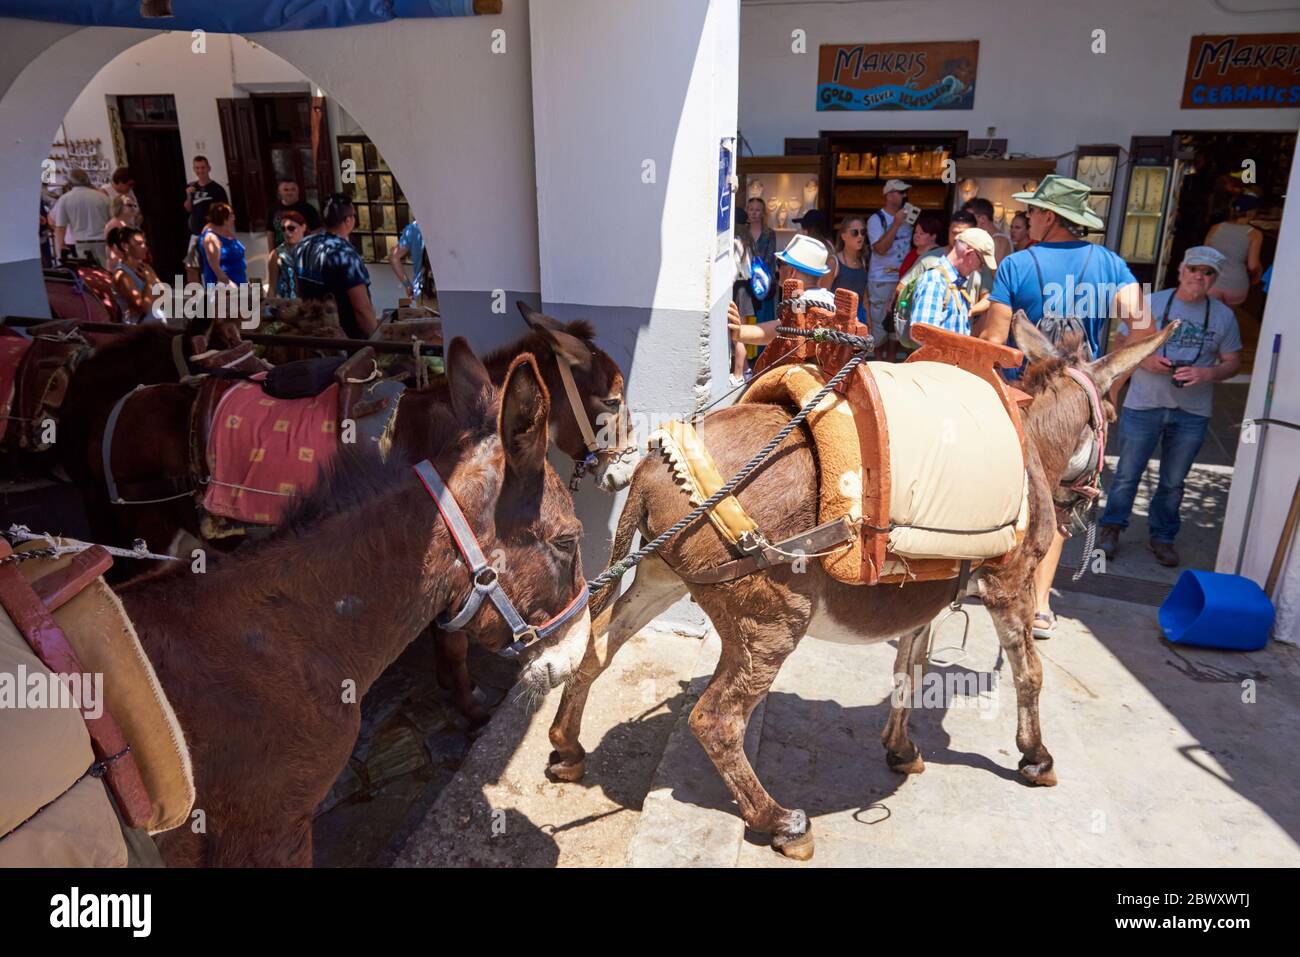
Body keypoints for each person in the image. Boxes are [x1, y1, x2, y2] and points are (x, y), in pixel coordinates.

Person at [979, 174, 1146, 640]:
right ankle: (1040, 604)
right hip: (1078, 411)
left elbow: (994, 341)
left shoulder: (1017, 265)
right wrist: (1109, 388)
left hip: (1027, 403)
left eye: (1032, 212)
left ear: (1050, 217)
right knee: (1062, 502)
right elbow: (1140, 327)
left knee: (1011, 493)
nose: (1027, 218)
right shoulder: (1112, 264)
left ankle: (997, 580)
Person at [1098, 247, 1241, 567]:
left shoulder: (1223, 316)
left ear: (1213, 279)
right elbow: (1121, 343)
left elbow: (1233, 362)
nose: (1199, 277)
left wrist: (1208, 372)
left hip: (1192, 412)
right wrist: (1146, 359)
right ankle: (1111, 529)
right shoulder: (1152, 303)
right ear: (1181, 269)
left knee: (1174, 481)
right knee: (1126, 475)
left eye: (1207, 273)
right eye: (1194, 269)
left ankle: (1162, 537)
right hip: (1144, 404)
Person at [728, 233, 833, 352]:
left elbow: (777, 330)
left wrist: (739, 332)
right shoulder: (830, 299)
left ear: (792, 272)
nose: (777, 269)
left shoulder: (800, 301)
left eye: (780, 264)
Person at [296, 193, 376, 339]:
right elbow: (361, 309)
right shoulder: (345, 253)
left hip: (310, 331)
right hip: (343, 338)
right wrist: (378, 343)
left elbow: (298, 288)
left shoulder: (303, 245)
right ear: (348, 220)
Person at [907, 228, 998, 336]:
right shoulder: (936, 281)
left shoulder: (955, 283)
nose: (980, 269)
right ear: (969, 254)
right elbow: (923, 335)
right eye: (981, 263)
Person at [865, 179, 913, 355]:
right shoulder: (876, 220)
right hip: (881, 279)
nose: (904, 196)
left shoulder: (908, 217)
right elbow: (880, 249)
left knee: (898, 322)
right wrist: (896, 224)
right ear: (889, 194)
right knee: (879, 324)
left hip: (902, 278)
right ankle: (878, 364)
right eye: (900, 192)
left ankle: (892, 361)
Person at [1203, 194, 1263, 307]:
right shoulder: (1255, 234)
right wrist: (1259, 272)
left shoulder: (1215, 228)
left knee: (1208, 317)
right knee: (1227, 318)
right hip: (1236, 286)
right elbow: (1252, 265)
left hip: (1212, 283)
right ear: (1251, 212)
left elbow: (1205, 255)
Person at [48, 168, 111, 263]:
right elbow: (112, 222)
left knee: (87, 275)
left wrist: (59, 251)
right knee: (107, 274)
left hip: (81, 244)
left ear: (69, 182)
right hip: (104, 242)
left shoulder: (65, 199)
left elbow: (60, 228)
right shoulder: (102, 197)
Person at [183, 155, 229, 281]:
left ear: (209, 168)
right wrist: (188, 195)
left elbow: (225, 213)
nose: (200, 171)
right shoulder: (191, 187)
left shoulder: (217, 189)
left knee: (212, 266)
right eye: (197, 168)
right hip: (195, 235)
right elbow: (188, 208)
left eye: (203, 168)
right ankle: (197, 298)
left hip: (211, 235)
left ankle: (216, 296)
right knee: (191, 266)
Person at [107, 226, 160, 323]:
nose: (145, 247)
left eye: (145, 243)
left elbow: (163, 295)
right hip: (141, 332)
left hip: (157, 326)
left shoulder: (146, 268)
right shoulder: (122, 275)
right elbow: (143, 307)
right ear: (125, 246)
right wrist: (149, 282)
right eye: (139, 244)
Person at [266, 178, 322, 254]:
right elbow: (270, 233)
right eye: (286, 190)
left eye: (293, 189)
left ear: (298, 191)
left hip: (304, 252)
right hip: (281, 253)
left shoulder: (308, 209)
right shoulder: (273, 210)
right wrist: (271, 253)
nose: (290, 192)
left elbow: (316, 232)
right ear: (279, 192)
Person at [199, 202, 248, 289]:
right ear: (224, 219)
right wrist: (231, 285)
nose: (234, 218)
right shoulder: (212, 238)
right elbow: (216, 268)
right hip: (225, 289)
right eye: (231, 215)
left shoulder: (226, 233)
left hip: (240, 282)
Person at [746, 197, 778, 325]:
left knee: (763, 322)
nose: (754, 213)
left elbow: (769, 259)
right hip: (746, 284)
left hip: (764, 284)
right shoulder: (743, 231)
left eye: (757, 210)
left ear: (763, 213)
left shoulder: (769, 234)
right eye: (751, 209)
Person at [832, 215, 869, 323]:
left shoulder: (862, 262)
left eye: (863, 232)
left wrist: (869, 326)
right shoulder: (834, 262)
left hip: (859, 320)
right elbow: (822, 294)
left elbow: (865, 298)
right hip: (838, 321)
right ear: (844, 236)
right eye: (855, 232)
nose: (860, 236)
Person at [790, 209, 838, 289]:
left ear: (807, 231)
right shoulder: (830, 248)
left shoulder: (814, 252)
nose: (801, 231)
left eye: (803, 228)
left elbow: (823, 287)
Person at [266, 209, 307, 299]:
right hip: (287, 306)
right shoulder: (276, 254)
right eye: (283, 229)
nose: (287, 233)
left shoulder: (312, 250)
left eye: (291, 228)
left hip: (310, 305)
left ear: (303, 227)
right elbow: (272, 287)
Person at [388, 219, 431, 302]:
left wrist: (407, 285)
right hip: (451, 289)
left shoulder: (414, 228)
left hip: (423, 290)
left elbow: (394, 257)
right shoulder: (447, 225)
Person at [962, 197, 1014, 265]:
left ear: (983, 219)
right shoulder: (983, 238)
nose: (967, 221)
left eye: (970, 218)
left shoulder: (1000, 240)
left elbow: (996, 272)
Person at [103, 192, 143, 271]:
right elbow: (113, 252)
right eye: (129, 205)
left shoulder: (128, 224)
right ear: (119, 206)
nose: (133, 208)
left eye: (134, 205)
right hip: (121, 268)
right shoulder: (114, 225)